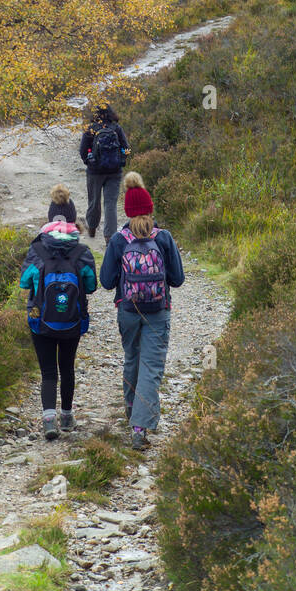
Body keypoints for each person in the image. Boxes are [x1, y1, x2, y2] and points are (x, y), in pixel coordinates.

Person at [100, 171, 184, 451]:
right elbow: (178, 279)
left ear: (127, 210)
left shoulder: (118, 240)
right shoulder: (164, 238)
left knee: (132, 358)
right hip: (158, 310)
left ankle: (130, 408)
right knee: (151, 367)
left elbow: (106, 281)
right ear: (149, 209)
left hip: (128, 310)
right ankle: (140, 426)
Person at [20, 216, 97, 439]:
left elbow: (25, 282)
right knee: (67, 367)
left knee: (48, 372)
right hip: (72, 322)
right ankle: (66, 416)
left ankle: (48, 420)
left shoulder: (36, 251)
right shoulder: (82, 253)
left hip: (40, 321)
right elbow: (91, 285)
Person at [79, 104, 130, 244]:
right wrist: (122, 160)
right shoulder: (116, 128)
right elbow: (126, 148)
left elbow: (82, 150)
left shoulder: (91, 129)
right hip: (115, 172)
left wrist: (88, 162)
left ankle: (92, 227)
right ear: (110, 113)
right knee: (111, 204)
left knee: (94, 201)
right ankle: (110, 237)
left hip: (95, 172)